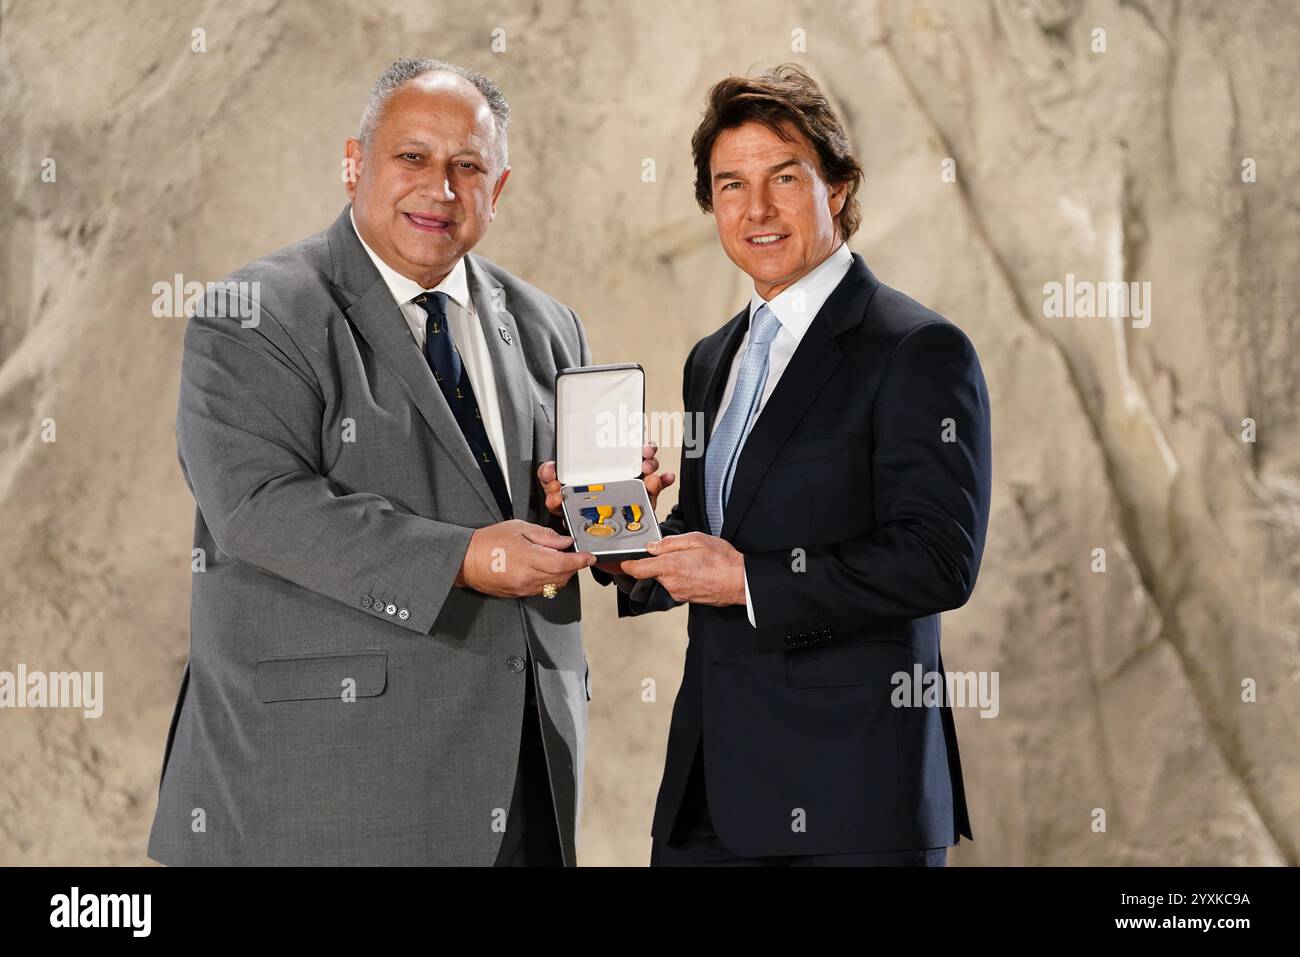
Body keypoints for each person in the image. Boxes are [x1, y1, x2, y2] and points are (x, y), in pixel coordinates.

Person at [147, 57, 661, 866]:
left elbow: (556, 516)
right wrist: (464, 555)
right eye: (412, 157)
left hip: (522, 780)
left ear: (500, 188)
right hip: (323, 794)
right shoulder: (256, 314)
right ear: (355, 162)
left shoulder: (546, 323)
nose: (441, 188)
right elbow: (257, 505)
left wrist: (615, 526)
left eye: (469, 167)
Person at [551, 63, 992, 865]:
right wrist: (617, 533)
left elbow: (939, 561)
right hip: (709, 792)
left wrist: (750, 580)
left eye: (785, 178)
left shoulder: (918, 350)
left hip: (851, 797)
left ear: (840, 186)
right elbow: (714, 532)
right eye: (730, 185)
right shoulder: (709, 359)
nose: (756, 209)